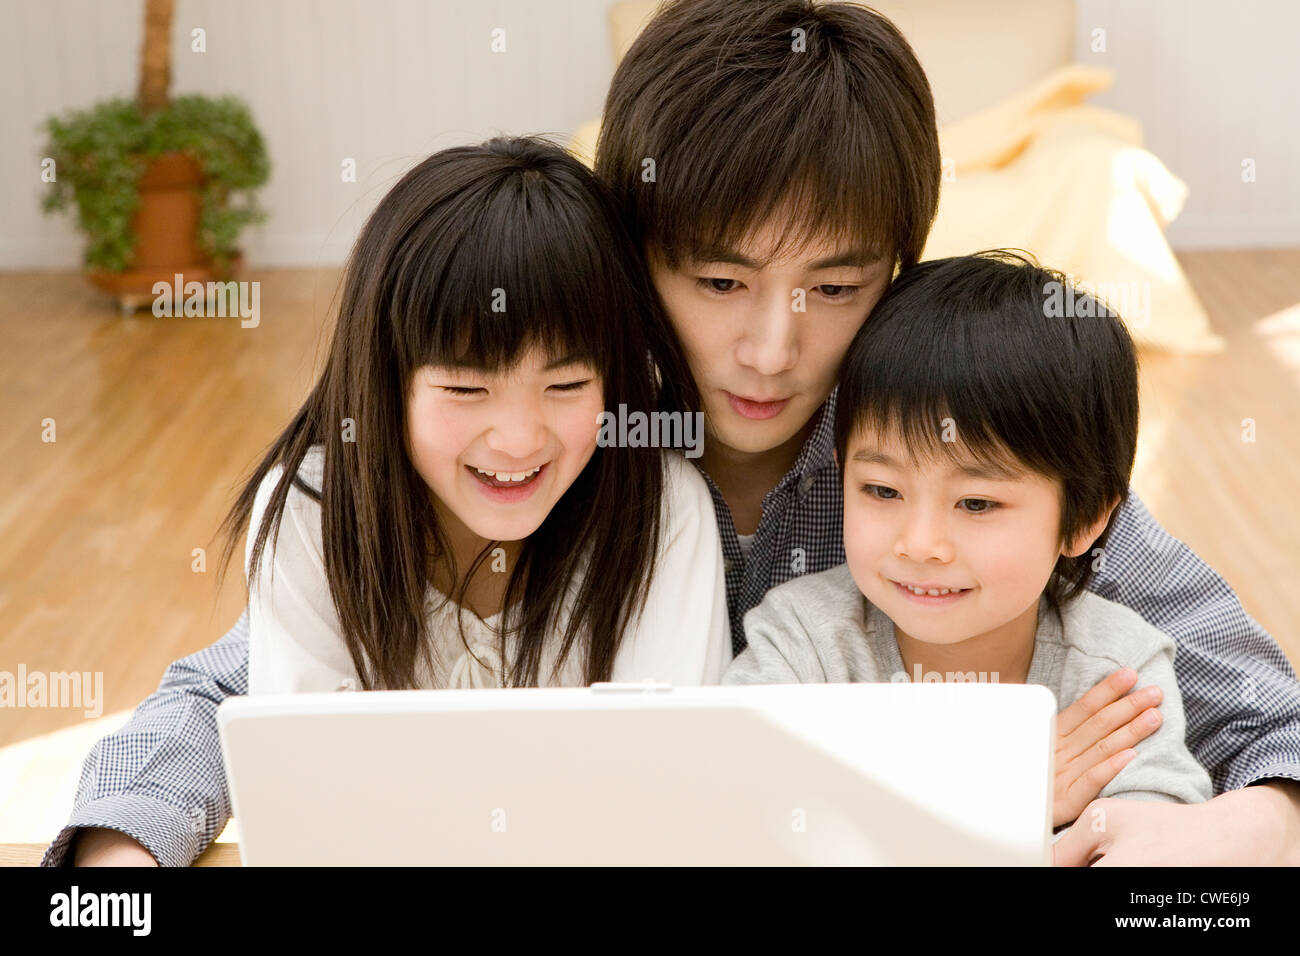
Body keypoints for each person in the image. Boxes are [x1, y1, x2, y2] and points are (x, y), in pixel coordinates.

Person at [49, 0, 1300, 867]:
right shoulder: (554, 444)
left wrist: (1238, 826)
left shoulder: (955, 461)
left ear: (899, 266)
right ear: (629, 252)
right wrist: (113, 858)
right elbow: (239, 688)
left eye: (835, 285)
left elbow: (1261, 713)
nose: (770, 348)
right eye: (716, 282)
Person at [725, 252, 1214, 830]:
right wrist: (996, 796)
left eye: (976, 504)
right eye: (882, 490)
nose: (920, 544)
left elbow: (1157, 844)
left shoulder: (1116, 670)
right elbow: (740, 811)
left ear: (1085, 518)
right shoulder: (802, 640)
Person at [233, 137, 728, 697]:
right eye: (466, 389)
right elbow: (302, 749)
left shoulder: (661, 512)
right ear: (386, 383)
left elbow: (668, 748)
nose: (518, 440)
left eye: (566, 385)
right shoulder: (312, 513)